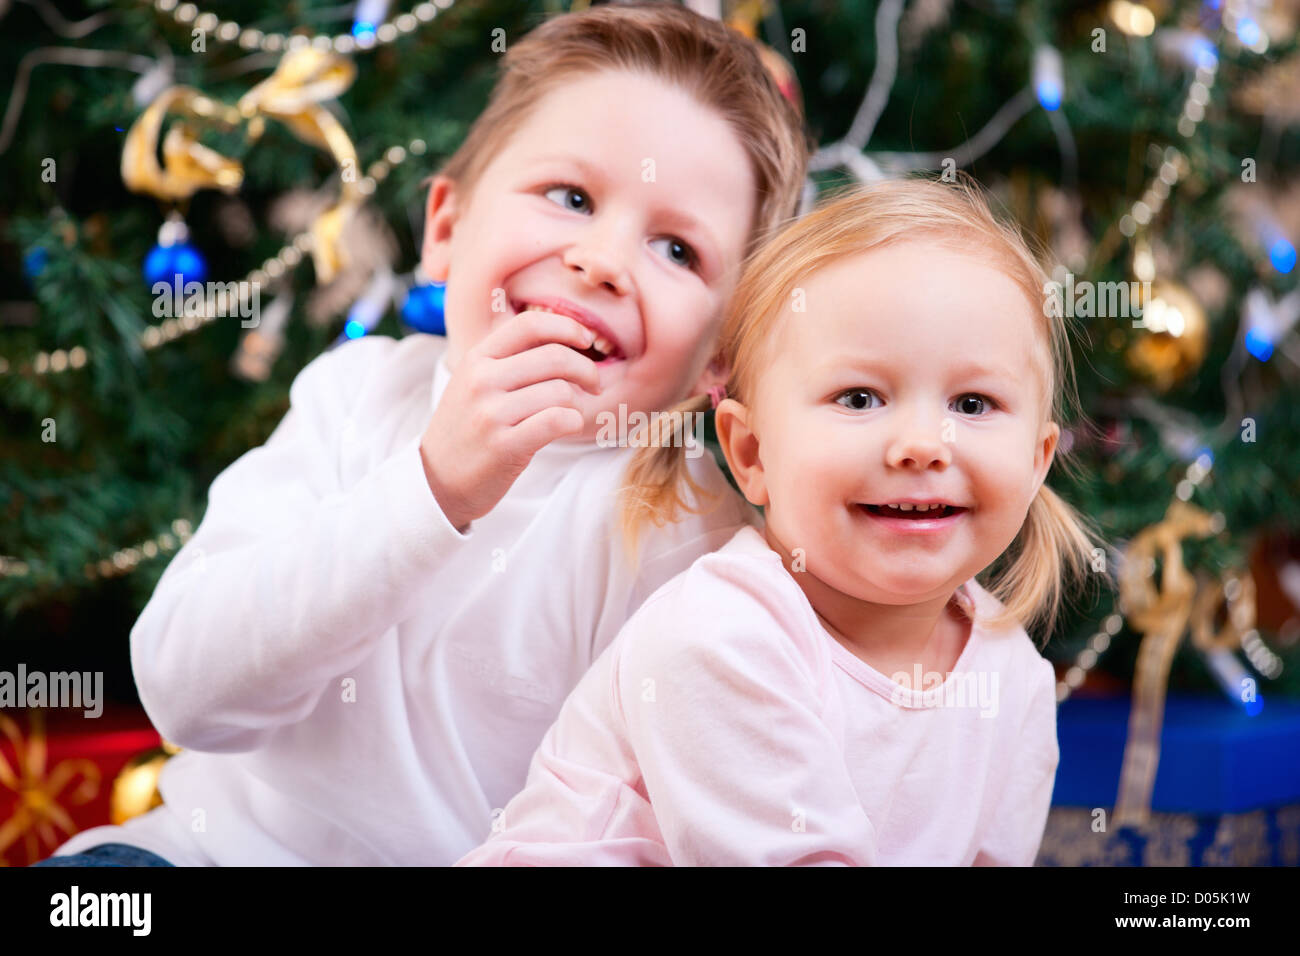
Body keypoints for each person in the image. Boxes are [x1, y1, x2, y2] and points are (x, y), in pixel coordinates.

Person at [38, 2, 808, 866]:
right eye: (571, 196)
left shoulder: (686, 537)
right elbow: (185, 690)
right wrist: (432, 488)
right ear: (445, 230)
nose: (603, 259)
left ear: (719, 358)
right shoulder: (355, 395)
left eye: (677, 250)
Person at [455, 176, 1107, 866]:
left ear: (1037, 461)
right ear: (751, 452)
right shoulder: (720, 638)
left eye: (973, 405)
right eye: (859, 396)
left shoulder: (1014, 680)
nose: (922, 443)